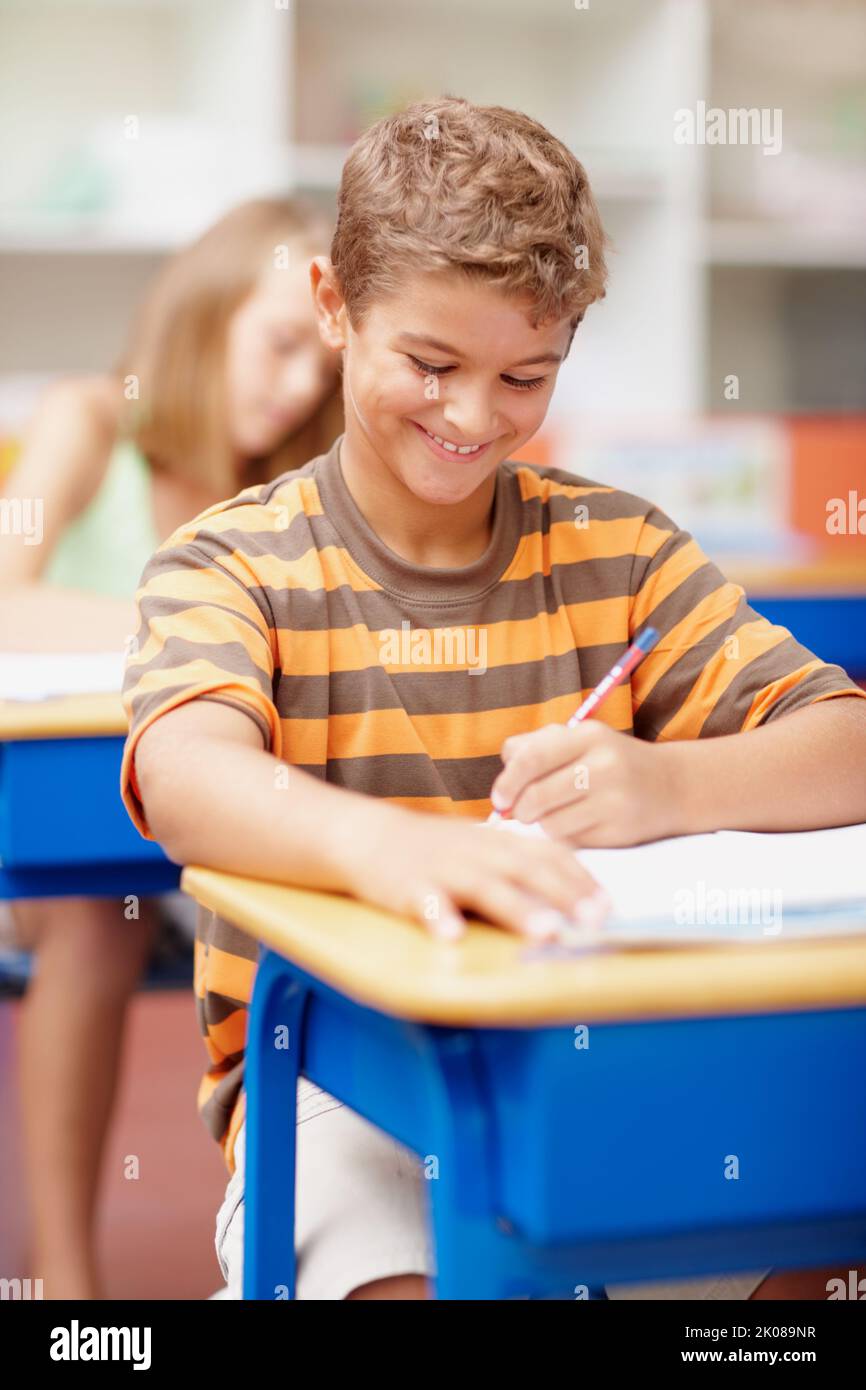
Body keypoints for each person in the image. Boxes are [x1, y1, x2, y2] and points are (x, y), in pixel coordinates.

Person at [120, 99, 866, 1301]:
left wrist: (673, 782)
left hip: (596, 1062)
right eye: (431, 364)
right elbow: (184, 776)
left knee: (820, 1205)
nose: (474, 416)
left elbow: (847, 742)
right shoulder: (231, 561)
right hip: (329, 1091)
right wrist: (391, 847)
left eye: (526, 374)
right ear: (331, 306)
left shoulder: (615, 550)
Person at [0, 197, 343, 1300]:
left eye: (320, 367)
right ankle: (64, 1282)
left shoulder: (290, 485)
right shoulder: (89, 420)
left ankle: (304, 1250)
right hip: (53, 851)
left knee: (325, 925)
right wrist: (199, 638)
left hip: (204, 845)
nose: (297, 387)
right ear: (204, 316)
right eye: (280, 343)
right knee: (97, 924)